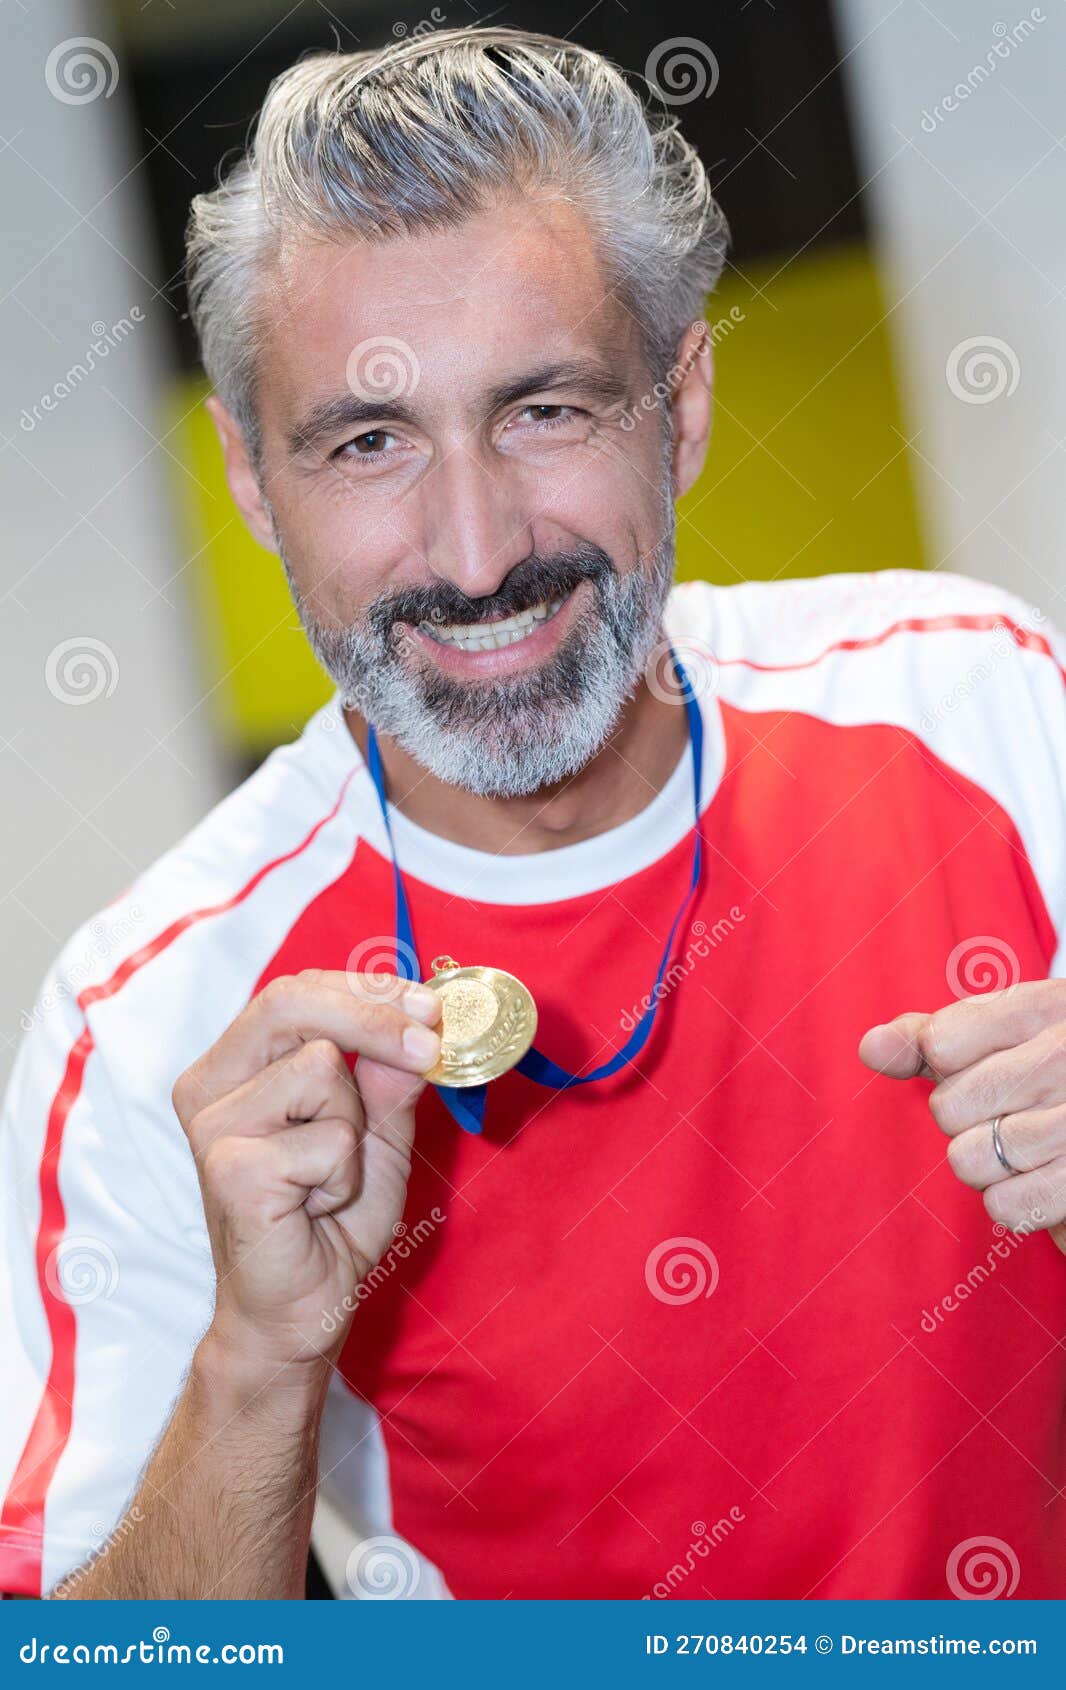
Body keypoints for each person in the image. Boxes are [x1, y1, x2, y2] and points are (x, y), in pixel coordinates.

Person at [3, 26, 1066, 1604]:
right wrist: (258, 1352)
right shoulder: (149, 1014)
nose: (479, 548)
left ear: (682, 404)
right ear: (246, 478)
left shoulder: (986, 704)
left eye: (545, 410)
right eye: (367, 442)